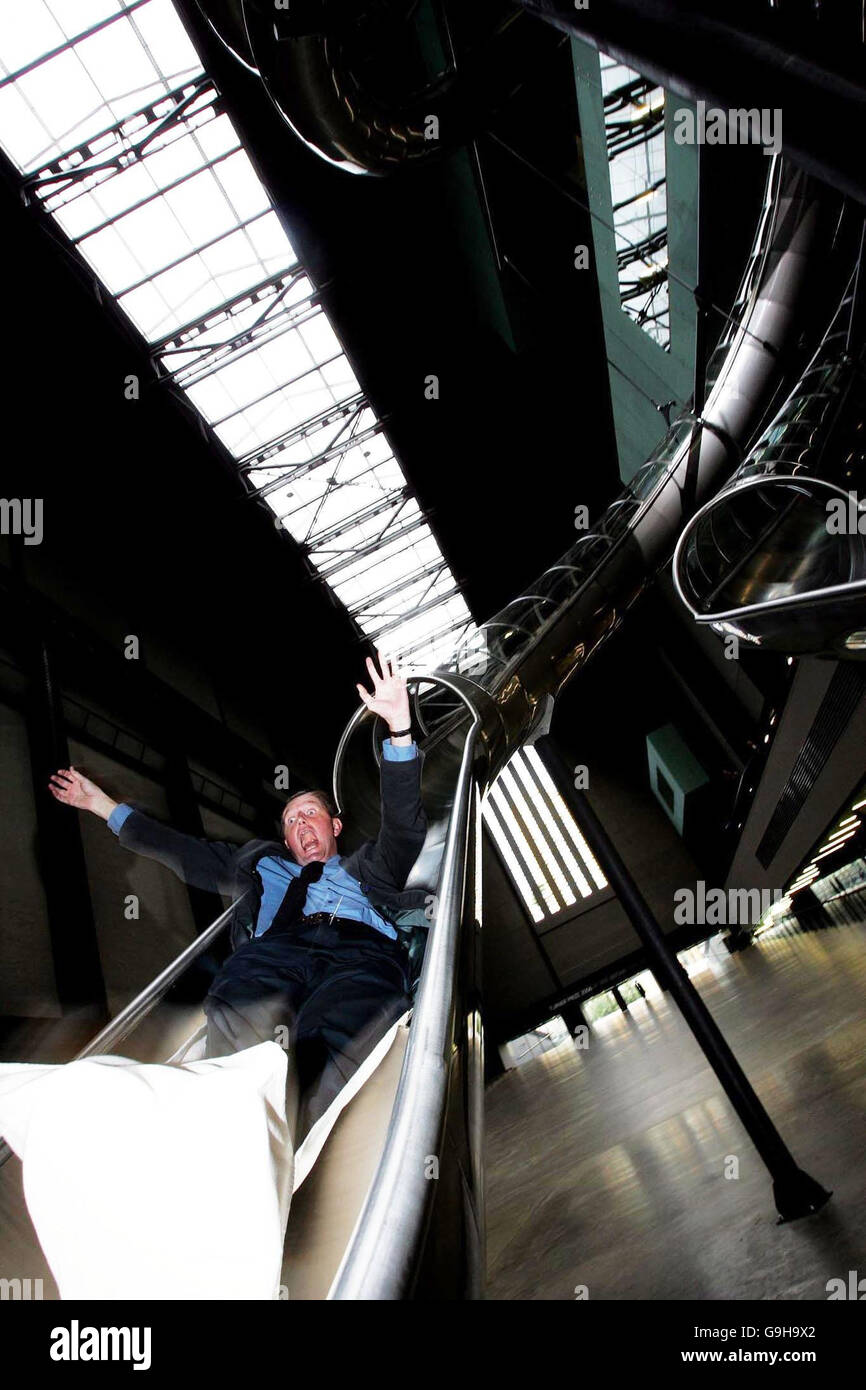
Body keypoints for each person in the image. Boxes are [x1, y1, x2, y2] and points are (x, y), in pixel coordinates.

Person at [49, 653, 429, 1139]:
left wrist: (399, 728)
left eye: (310, 814)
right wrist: (101, 805)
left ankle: (289, 1141)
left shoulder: (371, 868)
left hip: (361, 951)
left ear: (334, 826)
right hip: (276, 950)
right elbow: (178, 847)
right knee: (238, 999)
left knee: (337, 1029)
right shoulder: (261, 867)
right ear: (287, 841)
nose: (301, 824)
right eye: (292, 821)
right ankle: (227, 1128)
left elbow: (403, 825)